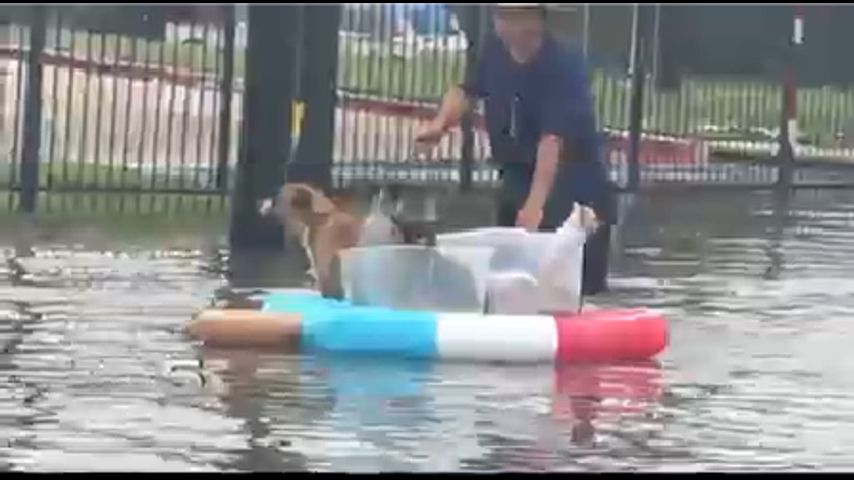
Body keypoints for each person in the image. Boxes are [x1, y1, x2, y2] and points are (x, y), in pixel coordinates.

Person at [414, 3, 616, 295]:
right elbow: (467, 91)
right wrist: (439, 124)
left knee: (575, 286)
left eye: (518, 15)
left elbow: (552, 140)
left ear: (538, 18)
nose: (508, 25)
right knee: (512, 279)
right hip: (516, 177)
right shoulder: (493, 50)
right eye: (501, 15)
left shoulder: (564, 63)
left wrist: (535, 207)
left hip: (572, 186)